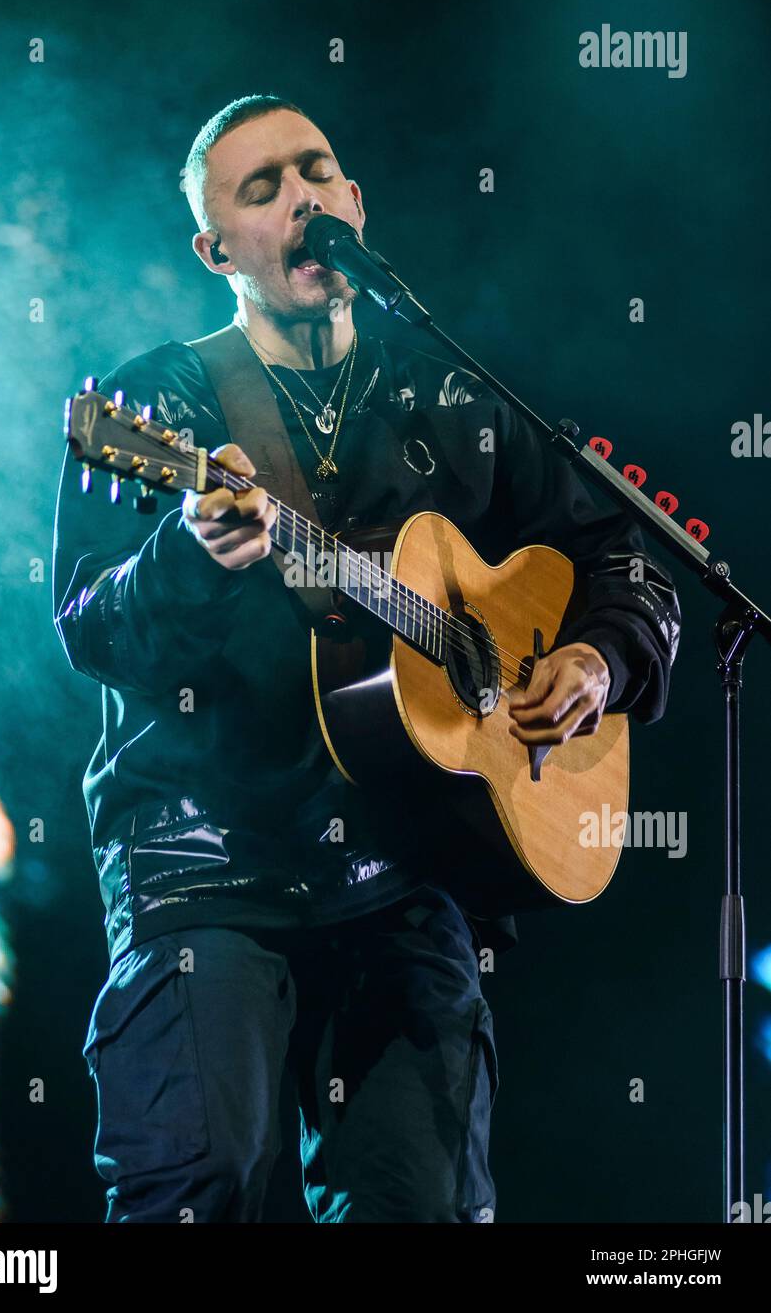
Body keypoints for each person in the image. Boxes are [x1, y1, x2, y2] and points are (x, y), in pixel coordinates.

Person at [52, 93, 681, 1223]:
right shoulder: (159, 400)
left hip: (407, 860)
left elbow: (619, 550)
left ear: (355, 202)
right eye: (263, 188)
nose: (301, 197)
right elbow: (92, 626)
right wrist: (188, 554)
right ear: (216, 250)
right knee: (205, 1184)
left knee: (422, 1200)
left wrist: (596, 659)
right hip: (205, 863)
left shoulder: (445, 387)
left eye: (317, 171)